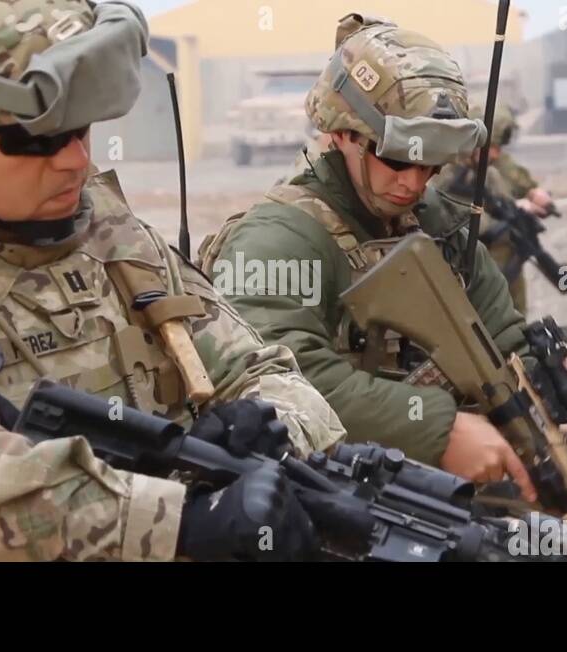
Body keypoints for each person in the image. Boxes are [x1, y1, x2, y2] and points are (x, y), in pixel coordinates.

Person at [0, 0, 345, 563]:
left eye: (80, 130)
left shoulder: (110, 234)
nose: (75, 161)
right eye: (36, 140)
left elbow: (265, 371)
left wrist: (267, 432)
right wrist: (170, 521)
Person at [198, 13, 537, 502]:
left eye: (432, 163)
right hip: (321, 497)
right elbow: (280, 377)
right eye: (397, 158)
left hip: (436, 496)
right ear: (342, 134)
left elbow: (502, 337)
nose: (414, 182)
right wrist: (440, 430)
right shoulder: (279, 239)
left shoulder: (440, 223)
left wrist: (534, 400)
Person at [434, 104, 556, 314]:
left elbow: (508, 182)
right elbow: (445, 214)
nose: (497, 154)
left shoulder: (487, 170)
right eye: (493, 147)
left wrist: (525, 201)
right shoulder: (444, 168)